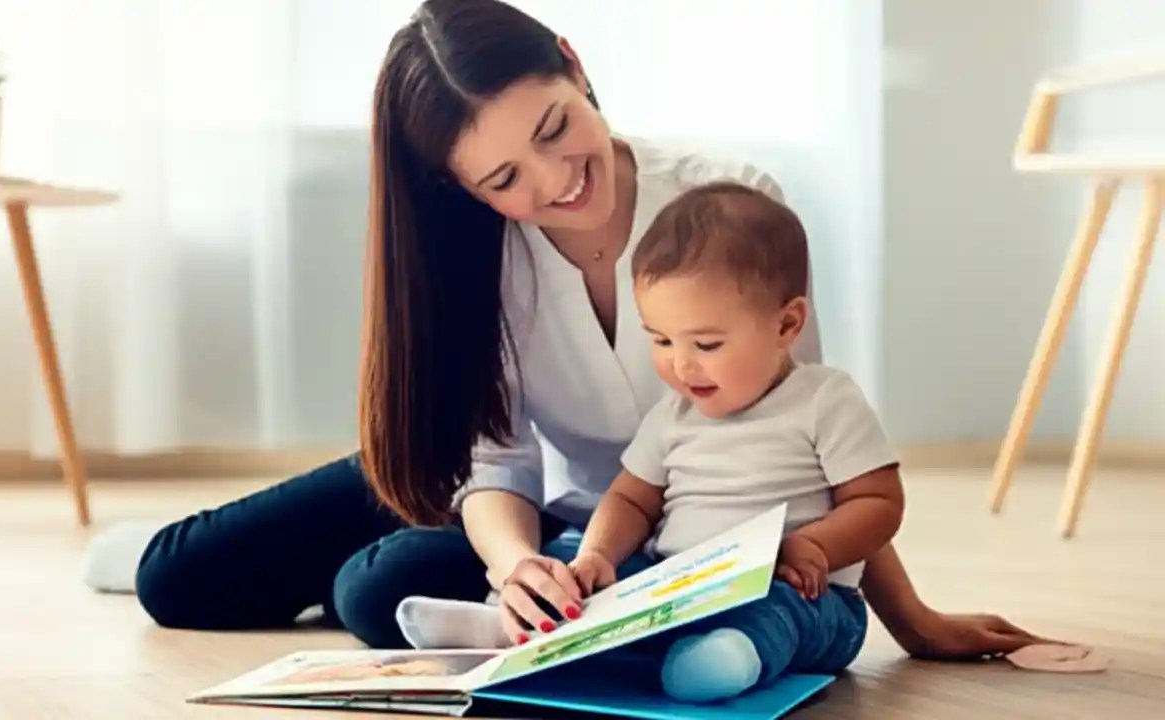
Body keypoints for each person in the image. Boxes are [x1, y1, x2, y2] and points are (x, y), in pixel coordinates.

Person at [133, 0, 1047, 660]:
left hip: (648, 534)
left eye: (554, 127)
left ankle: (390, 545)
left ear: (575, 62)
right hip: (537, 505)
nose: (554, 183)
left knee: (374, 589)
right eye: (503, 179)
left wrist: (913, 623)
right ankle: (374, 504)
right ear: (464, 189)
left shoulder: (728, 205)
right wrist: (516, 562)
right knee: (171, 580)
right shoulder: (478, 252)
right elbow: (498, 466)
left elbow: (806, 441)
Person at [563, 181, 900, 702]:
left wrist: (815, 546)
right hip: (675, 587)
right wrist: (596, 556)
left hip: (798, 591)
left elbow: (879, 502)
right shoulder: (672, 415)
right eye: (660, 339)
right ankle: (518, 632)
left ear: (786, 324)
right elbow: (630, 498)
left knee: (780, 614)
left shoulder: (823, 399)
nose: (680, 363)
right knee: (599, 578)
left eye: (707, 343)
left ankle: (729, 659)